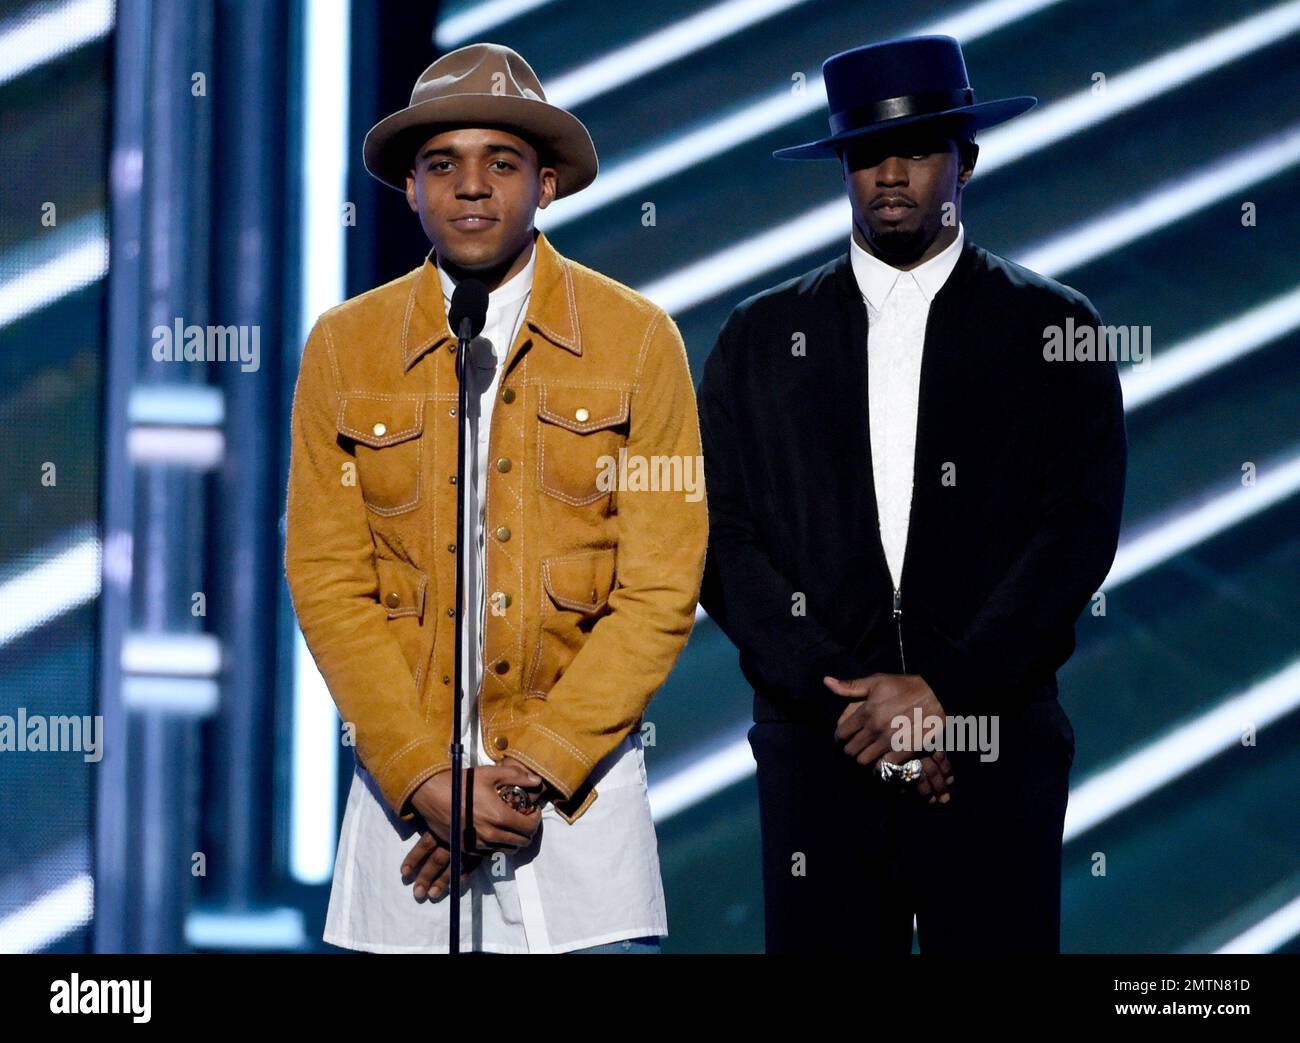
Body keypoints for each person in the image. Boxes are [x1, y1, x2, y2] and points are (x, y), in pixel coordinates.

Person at [697, 34, 1127, 953]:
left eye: (921, 148)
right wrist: (858, 708)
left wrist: (943, 696)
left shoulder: (1059, 328)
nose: (891, 173)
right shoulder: (759, 338)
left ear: (965, 160)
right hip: (821, 752)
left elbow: (1076, 535)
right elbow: (719, 543)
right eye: (866, 153)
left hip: (997, 749)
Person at [284, 43, 707, 953]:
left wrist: (523, 778)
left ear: (546, 184)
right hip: (407, 840)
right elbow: (326, 578)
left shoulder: (639, 341)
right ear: (409, 188)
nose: (471, 187)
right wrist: (422, 776)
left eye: (501, 163)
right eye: (443, 164)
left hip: (583, 829)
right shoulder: (343, 348)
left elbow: (662, 586)